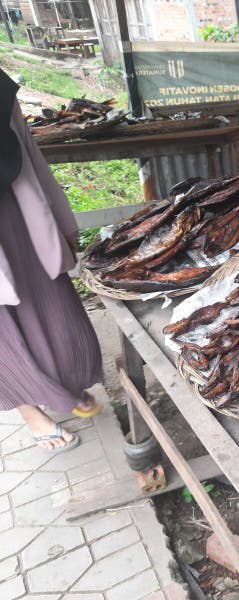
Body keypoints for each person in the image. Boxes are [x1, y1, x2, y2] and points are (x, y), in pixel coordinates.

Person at [0, 68, 103, 452]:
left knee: (53, 307)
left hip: (18, 214)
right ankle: (32, 410)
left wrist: (62, 219)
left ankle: (65, 386)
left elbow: (26, 149)